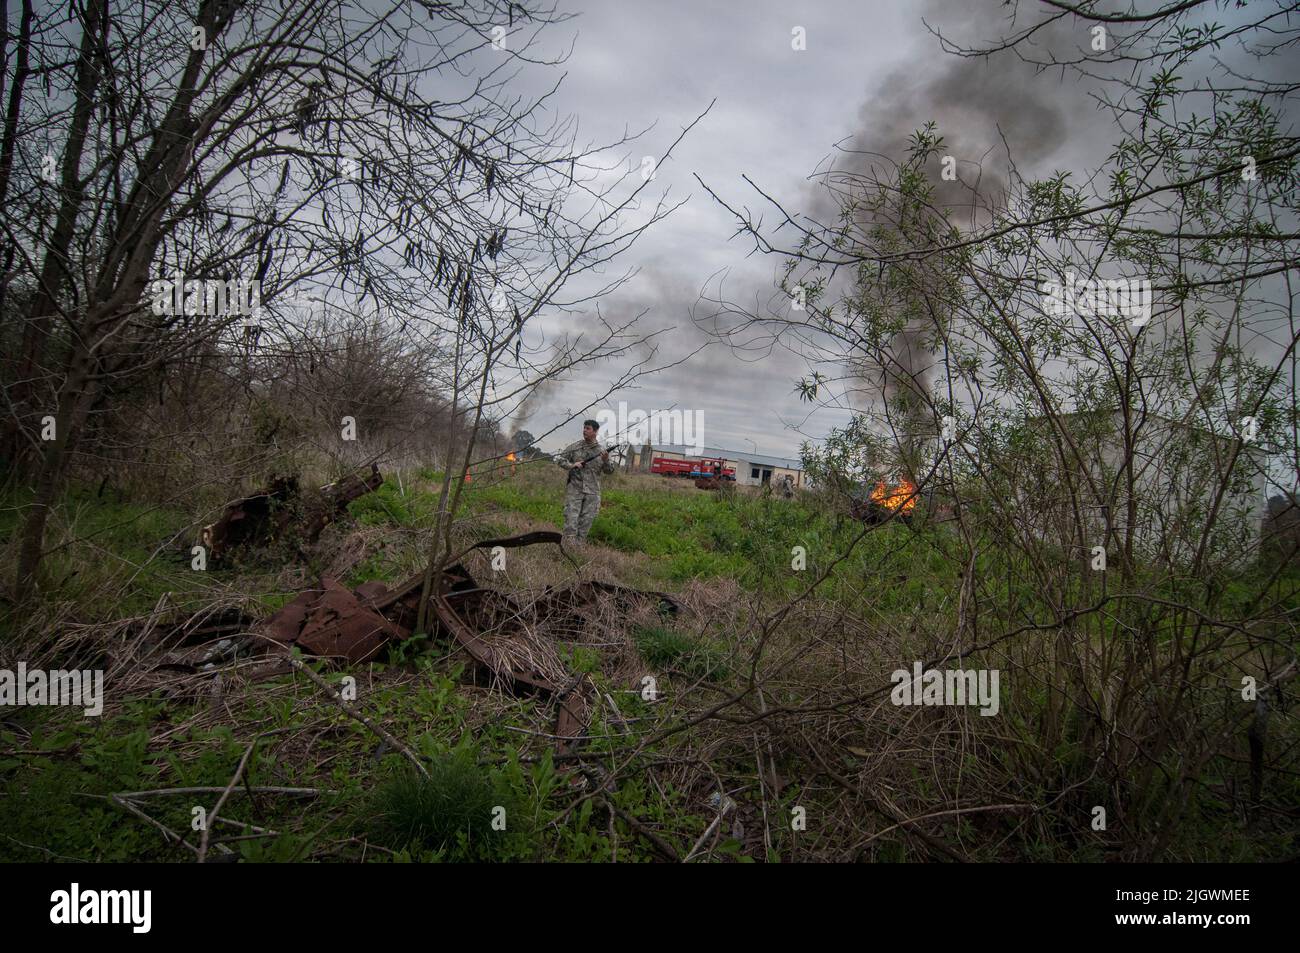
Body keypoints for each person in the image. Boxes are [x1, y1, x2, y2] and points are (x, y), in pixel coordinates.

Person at [556, 419, 614, 543]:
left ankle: (579, 547)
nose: (584, 430)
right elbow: (560, 460)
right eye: (584, 428)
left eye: (588, 428)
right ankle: (568, 546)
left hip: (592, 492)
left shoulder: (602, 451)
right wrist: (572, 465)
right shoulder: (575, 447)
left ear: (595, 431)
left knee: (586, 522)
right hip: (575, 489)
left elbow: (609, 471)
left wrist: (606, 460)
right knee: (571, 519)